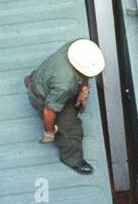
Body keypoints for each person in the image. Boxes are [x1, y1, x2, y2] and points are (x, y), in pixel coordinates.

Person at [24, 38, 105, 175]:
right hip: (45, 98)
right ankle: (72, 160)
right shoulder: (65, 85)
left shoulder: (76, 46)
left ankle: (32, 80)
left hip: (44, 77)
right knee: (72, 131)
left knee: (57, 82)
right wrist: (49, 131)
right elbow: (49, 111)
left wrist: (84, 86)